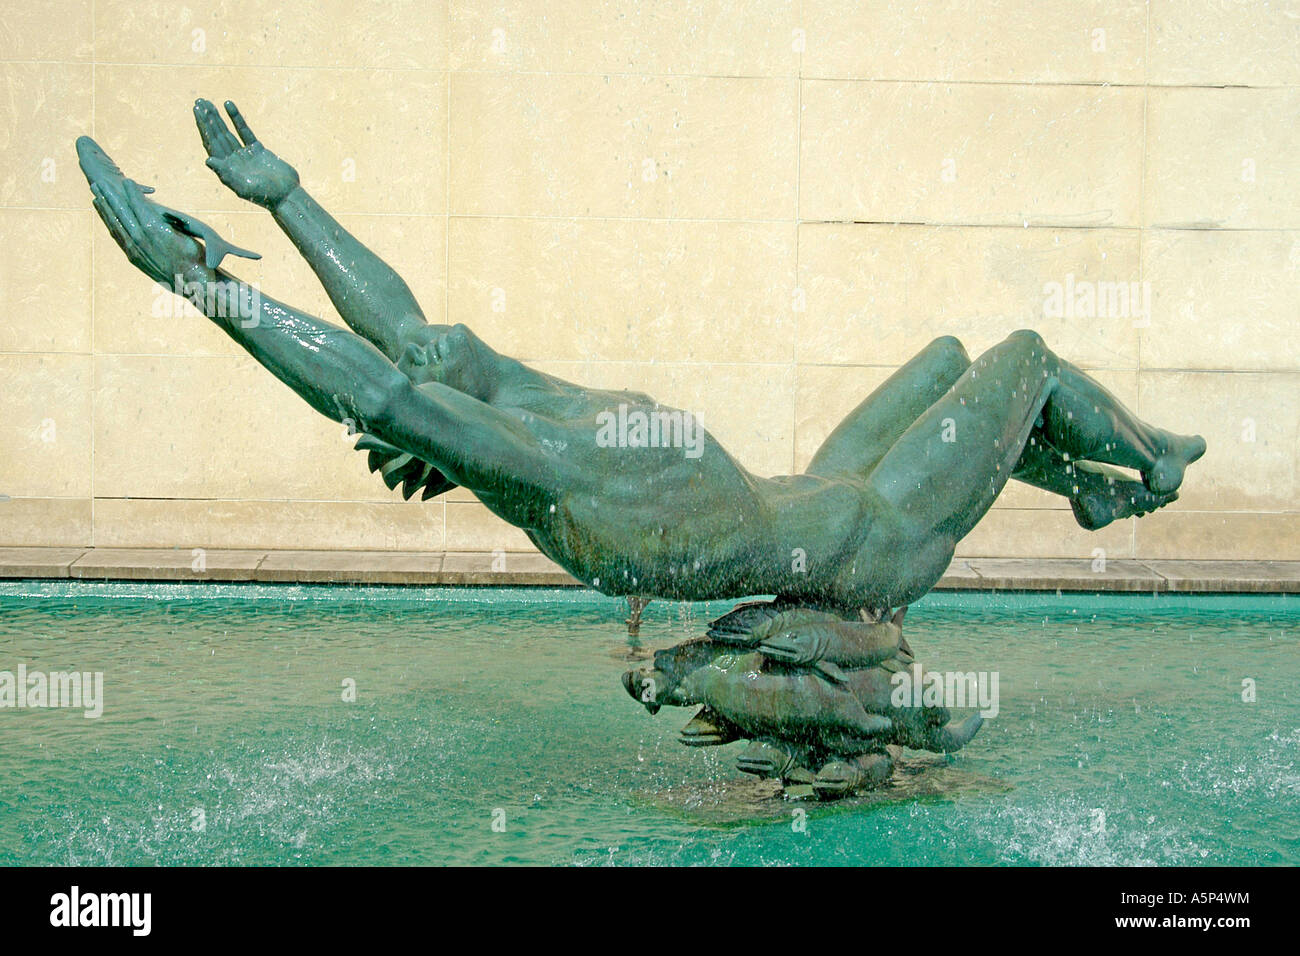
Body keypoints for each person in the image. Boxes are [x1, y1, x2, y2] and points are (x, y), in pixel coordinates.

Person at [83, 99, 1206, 616]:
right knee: (1024, 356)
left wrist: (294, 205)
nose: (439, 387)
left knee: (949, 355)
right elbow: (382, 384)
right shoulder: (572, 481)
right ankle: (1150, 464)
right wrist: (202, 284)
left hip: (826, 490)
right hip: (878, 543)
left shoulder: (543, 432)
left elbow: (414, 346)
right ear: (436, 440)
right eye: (429, 424)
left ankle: (1086, 490)